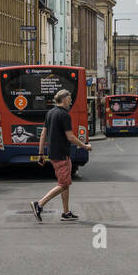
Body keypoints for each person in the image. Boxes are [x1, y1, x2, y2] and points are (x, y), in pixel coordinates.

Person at [31, 88, 92, 222]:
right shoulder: (64, 115)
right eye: (69, 99)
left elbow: (43, 134)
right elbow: (70, 137)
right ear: (64, 99)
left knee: (64, 182)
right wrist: (85, 146)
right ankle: (39, 204)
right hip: (61, 155)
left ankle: (66, 212)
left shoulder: (50, 113)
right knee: (64, 184)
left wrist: (41, 154)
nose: (70, 102)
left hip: (53, 154)